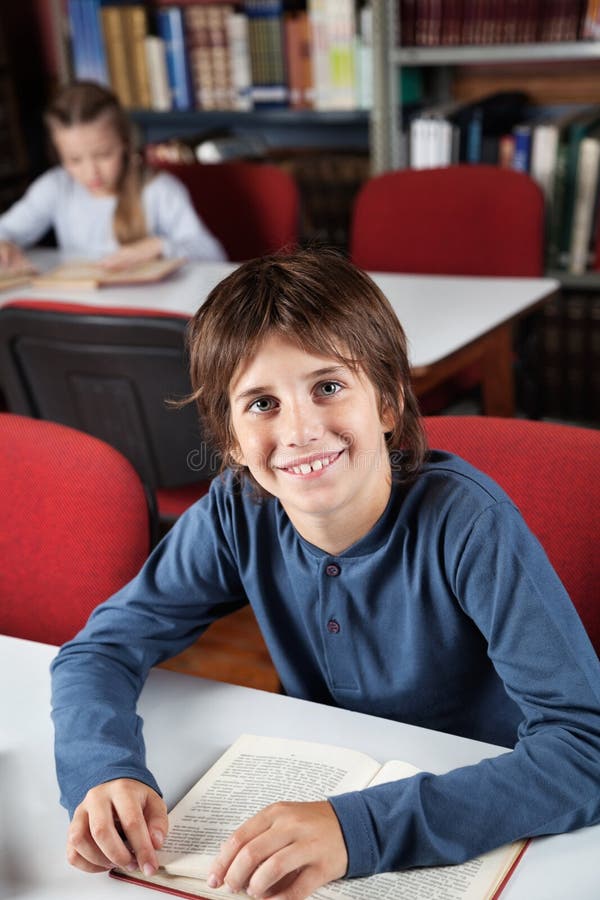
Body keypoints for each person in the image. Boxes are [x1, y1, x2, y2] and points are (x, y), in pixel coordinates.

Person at [51, 249, 600, 899]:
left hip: (491, 813)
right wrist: (102, 768)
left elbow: (585, 750)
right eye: (261, 403)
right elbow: (100, 650)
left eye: (328, 387)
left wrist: (360, 830)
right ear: (229, 439)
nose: (301, 429)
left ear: (389, 402)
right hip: (326, 786)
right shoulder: (238, 509)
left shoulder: (468, 523)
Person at [0, 81, 225, 272]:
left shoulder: (159, 190)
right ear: (58, 155)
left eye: (104, 155)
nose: (91, 172)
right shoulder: (57, 186)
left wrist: (160, 246)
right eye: (74, 160)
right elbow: (7, 229)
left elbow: (214, 255)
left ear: (125, 144)